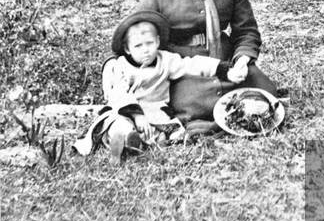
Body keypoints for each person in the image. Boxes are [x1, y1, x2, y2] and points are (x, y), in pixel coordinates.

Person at [137, 0, 281, 121]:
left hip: (226, 60)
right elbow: (135, 34)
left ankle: (229, 110)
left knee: (266, 92)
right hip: (184, 67)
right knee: (193, 104)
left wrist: (241, 61)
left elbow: (246, 31)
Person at [74, 9, 241, 160]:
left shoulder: (166, 60)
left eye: (149, 43)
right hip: (127, 111)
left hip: (155, 113)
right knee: (120, 125)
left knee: (164, 135)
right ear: (127, 49)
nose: (145, 50)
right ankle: (121, 140)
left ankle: (136, 144)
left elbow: (191, 64)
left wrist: (221, 68)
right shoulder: (121, 66)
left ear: (158, 41)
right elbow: (119, 93)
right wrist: (136, 115)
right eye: (138, 46)